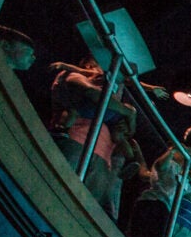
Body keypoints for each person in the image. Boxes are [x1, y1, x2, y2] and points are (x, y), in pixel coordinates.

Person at [47, 59, 138, 217]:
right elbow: (92, 93)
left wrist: (130, 116)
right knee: (57, 190)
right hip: (76, 142)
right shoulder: (74, 75)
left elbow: (129, 131)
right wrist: (126, 111)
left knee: (85, 207)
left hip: (103, 156)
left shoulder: (113, 92)